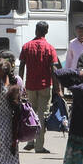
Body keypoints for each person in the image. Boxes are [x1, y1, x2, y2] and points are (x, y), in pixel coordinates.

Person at [18, 21, 59, 154]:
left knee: (30, 113)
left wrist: (19, 83)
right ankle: (39, 146)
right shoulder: (49, 48)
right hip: (45, 86)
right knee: (41, 115)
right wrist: (58, 87)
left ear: (36, 30)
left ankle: (30, 141)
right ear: (46, 31)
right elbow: (53, 69)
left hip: (30, 85)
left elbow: (22, 66)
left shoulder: (26, 46)